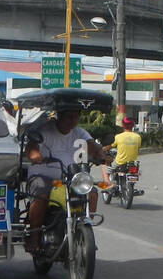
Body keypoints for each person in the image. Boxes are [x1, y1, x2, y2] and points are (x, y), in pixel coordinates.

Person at [23, 103, 109, 252]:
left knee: (92, 192)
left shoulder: (80, 133)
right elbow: (31, 148)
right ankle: (35, 235)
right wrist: (35, 156)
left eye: (76, 116)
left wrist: (102, 156)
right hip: (43, 176)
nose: (73, 120)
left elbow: (94, 148)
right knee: (43, 194)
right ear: (59, 115)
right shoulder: (45, 130)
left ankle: (85, 227)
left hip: (70, 178)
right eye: (69, 116)